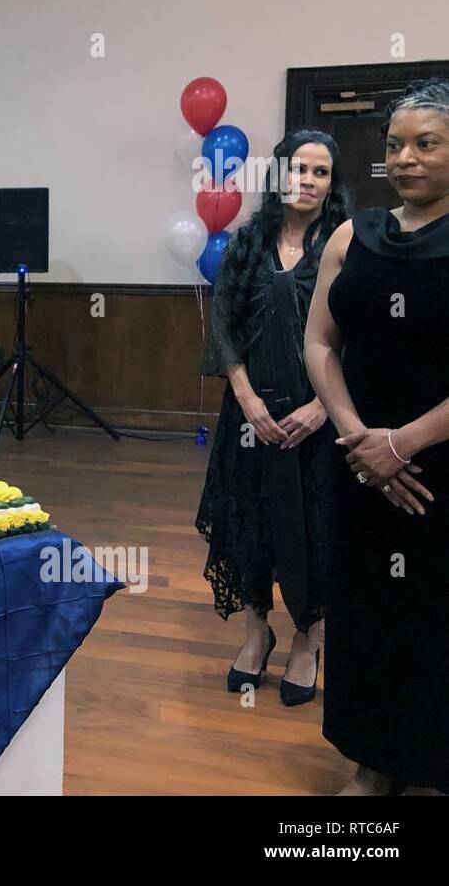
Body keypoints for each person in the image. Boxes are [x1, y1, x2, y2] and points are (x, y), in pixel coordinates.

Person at [305, 78, 449, 797]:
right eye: (396, 145)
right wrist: (362, 436)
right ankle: (375, 759)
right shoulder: (349, 234)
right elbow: (320, 344)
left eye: (427, 143)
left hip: (440, 468)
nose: (407, 158)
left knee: (436, 611)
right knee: (369, 609)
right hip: (359, 464)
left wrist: (407, 441)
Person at [196, 130, 349, 705]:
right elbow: (225, 328)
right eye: (297, 169)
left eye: (320, 172)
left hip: (320, 417)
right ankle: (257, 631)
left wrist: (321, 408)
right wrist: (247, 398)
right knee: (249, 521)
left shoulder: (345, 245)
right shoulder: (248, 243)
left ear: (332, 183)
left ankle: (309, 639)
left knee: (313, 529)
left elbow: (356, 337)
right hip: (250, 417)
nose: (306, 182)